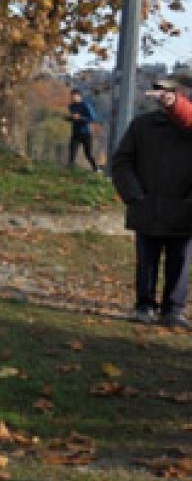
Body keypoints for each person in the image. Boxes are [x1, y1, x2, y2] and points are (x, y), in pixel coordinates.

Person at [111, 77, 192, 329]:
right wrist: (135, 195)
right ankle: (144, 305)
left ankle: (173, 310)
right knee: (147, 261)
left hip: (184, 208)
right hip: (148, 206)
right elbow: (121, 162)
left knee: (180, 262)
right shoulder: (141, 126)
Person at [67, 87, 100, 171]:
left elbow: (93, 118)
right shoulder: (71, 106)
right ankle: (70, 169)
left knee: (88, 154)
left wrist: (80, 118)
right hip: (75, 133)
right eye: (72, 96)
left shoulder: (85, 105)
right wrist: (68, 118)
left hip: (86, 133)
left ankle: (96, 169)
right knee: (72, 152)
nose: (73, 98)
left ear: (79, 96)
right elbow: (73, 118)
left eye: (74, 96)